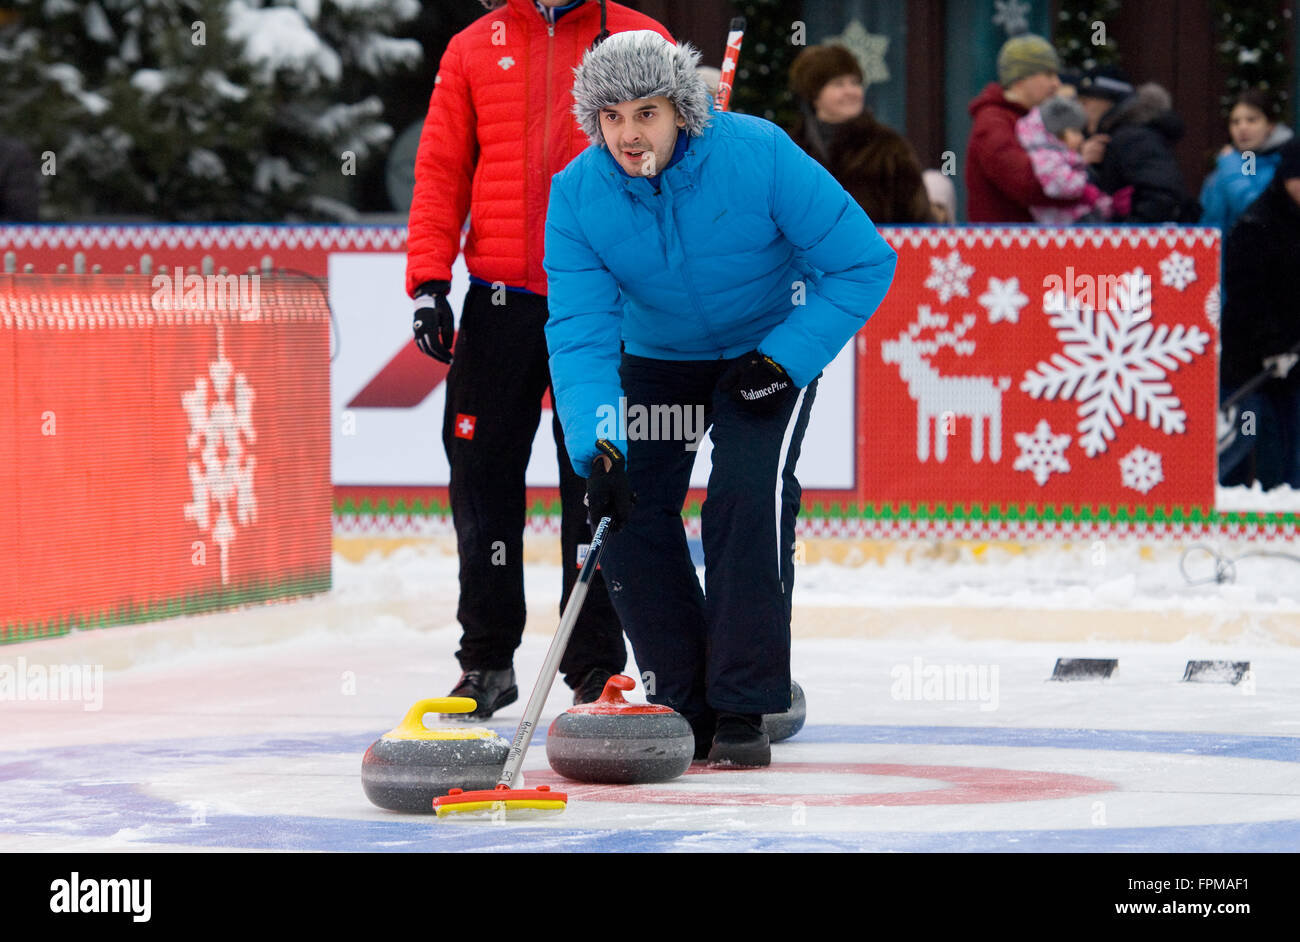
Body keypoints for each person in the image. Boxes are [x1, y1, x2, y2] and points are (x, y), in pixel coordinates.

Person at [544, 31, 897, 766]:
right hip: (660, 361)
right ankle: (686, 695)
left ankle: (743, 700)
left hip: (760, 356)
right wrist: (598, 447)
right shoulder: (578, 193)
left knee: (745, 493)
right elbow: (580, 331)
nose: (629, 133)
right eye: (612, 116)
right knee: (627, 501)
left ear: (681, 110)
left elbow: (864, 263)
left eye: (646, 112)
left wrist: (784, 360)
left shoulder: (757, 153)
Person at [405, 0, 672, 720]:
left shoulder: (637, 34)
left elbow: (679, 162)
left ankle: (593, 668)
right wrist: (430, 282)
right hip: (499, 301)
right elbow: (440, 167)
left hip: (603, 298)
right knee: (481, 475)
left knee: (598, 473)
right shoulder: (471, 47)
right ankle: (486, 661)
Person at [1217, 137, 1300, 489]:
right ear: (1287, 178)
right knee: (1244, 435)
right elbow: (1246, 297)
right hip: (1253, 366)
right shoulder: (1255, 226)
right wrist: (1273, 346)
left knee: (1292, 443)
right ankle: (1225, 504)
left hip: (1294, 364)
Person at [786, 43, 931, 224]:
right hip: (802, 252)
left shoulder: (889, 147)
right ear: (814, 95)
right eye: (838, 84)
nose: (851, 91)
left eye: (855, 82)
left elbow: (918, 218)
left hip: (877, 250)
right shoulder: (789, 149)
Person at [965, 34, 1078, 222]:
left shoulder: (1033, 118)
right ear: (1020, 80)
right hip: (1003, 246)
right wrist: (1081, 188)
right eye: (1049, 74)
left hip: (1025, 243)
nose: (1056, 83)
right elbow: (1026, 184)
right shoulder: (993, 122)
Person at [1076, 68, 1198, 223]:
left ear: (1109, 102)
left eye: (1085, 102)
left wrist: (1128, 235)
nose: (1081, 110)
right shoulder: (1119, 136)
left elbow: (1162, 196)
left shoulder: (1132, 138)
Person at [1016, 95, 1127, 224]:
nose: (1080, 138)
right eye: (1074, 131)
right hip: (1065, 222)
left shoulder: (1063, 155)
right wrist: (1084, 188)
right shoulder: (1046, 158)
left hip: (1075, 216)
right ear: (1057, 133)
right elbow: (1059, 184)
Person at [1199, 88, 1293, 235]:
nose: (1242, 127)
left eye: (1252, 120)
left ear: (1270, 125)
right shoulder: (1224, 167)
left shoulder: (1283, 166)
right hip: (1220, 257)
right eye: (1235, 122)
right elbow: (1206, 223)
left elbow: (1251, 209)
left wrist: (1230, 164)